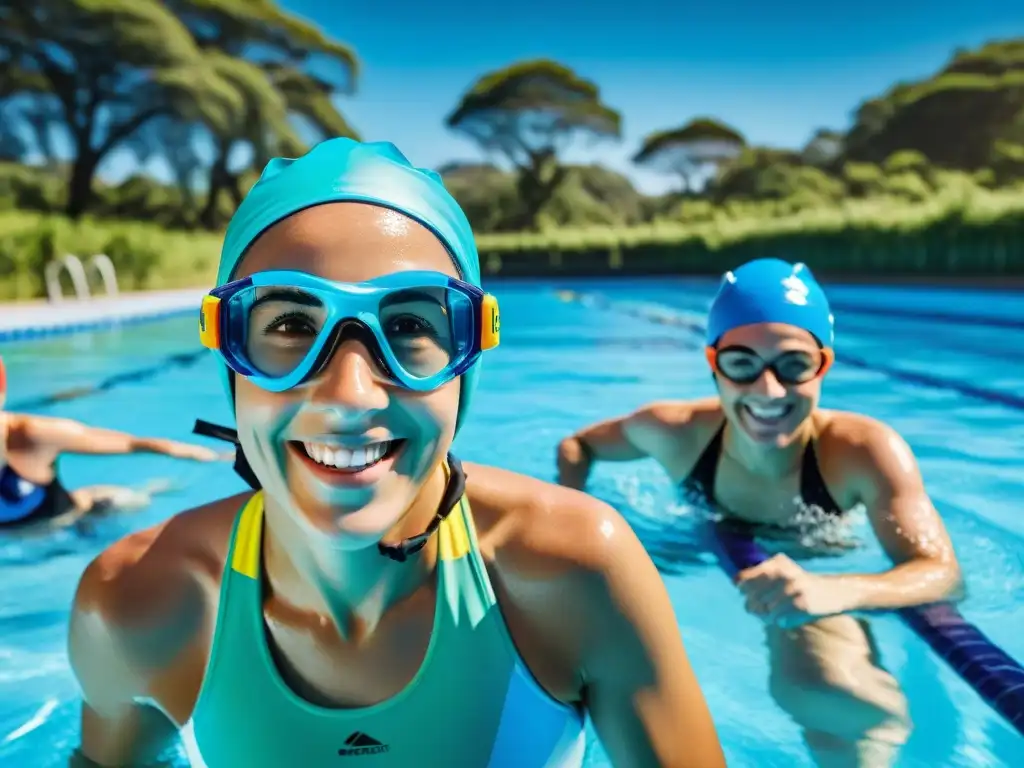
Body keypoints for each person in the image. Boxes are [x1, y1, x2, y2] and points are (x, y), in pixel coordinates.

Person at [67, 139, 726, 768]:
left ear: (467, 365)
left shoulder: (573, 577)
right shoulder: (137, 605)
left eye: (409, 325)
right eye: (292, 325)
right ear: (228, 355)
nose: (351, 396)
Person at [556, 258, 964, 768]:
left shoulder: (864, 451)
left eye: (793, 364)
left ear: (824, 364)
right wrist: (576, 521)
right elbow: (578, 445)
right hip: (692, 542)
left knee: (836, 696)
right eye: (741, 363)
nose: (768, 390)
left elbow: (941, 573)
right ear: (713, 363)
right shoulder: (674, 431)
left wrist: (836, 590)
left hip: (820, 560)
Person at [0, 356, 225, 533]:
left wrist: (212, 455)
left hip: (74, 523)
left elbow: (132, 444)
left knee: (130, 500)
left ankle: (159, 488)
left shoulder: (33, 435)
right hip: (21, 537)